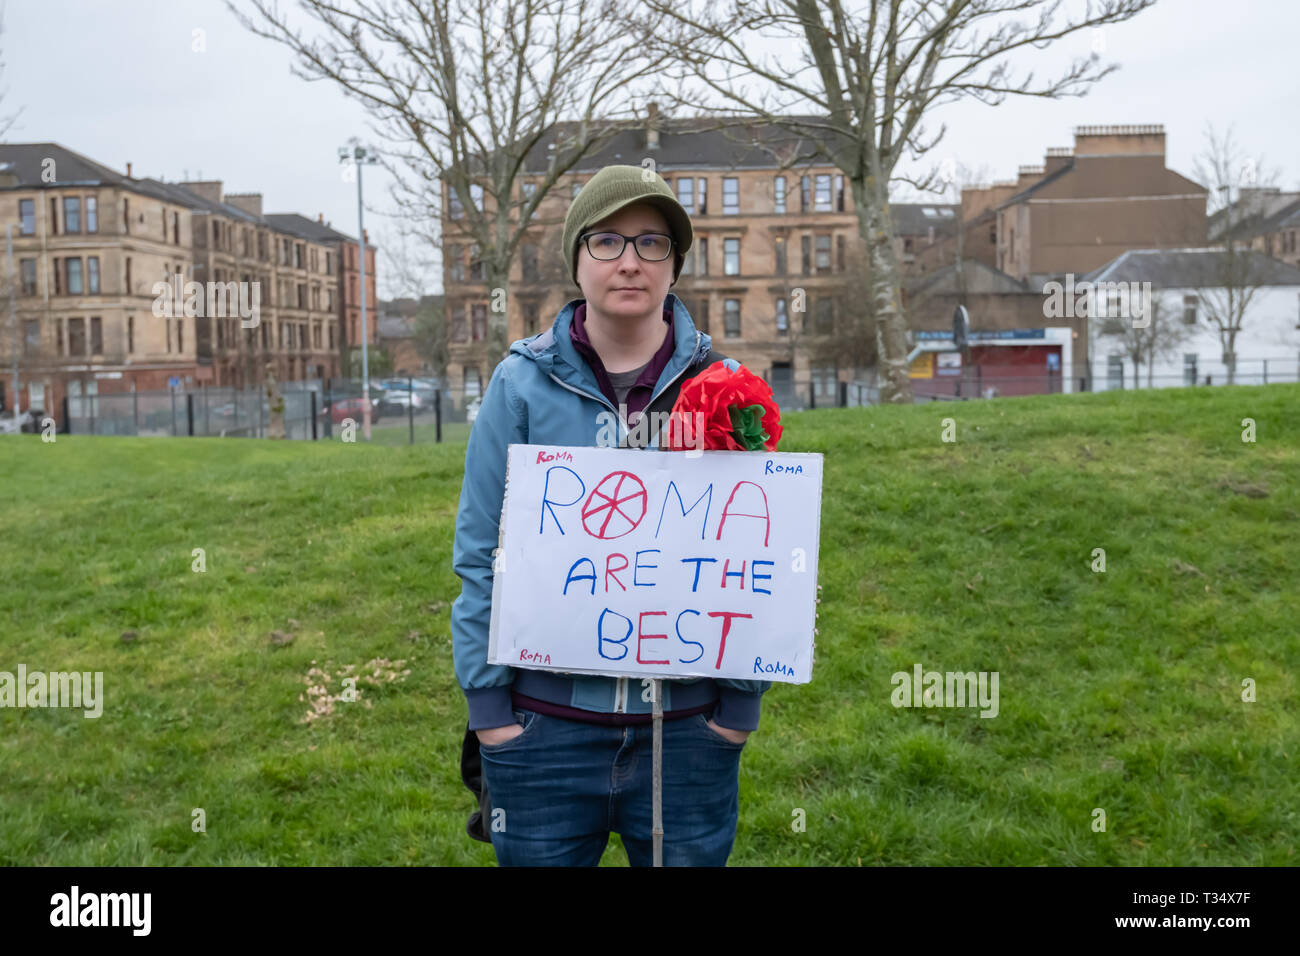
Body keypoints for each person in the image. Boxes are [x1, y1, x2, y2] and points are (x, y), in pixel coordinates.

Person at [451, 164, 771, 866]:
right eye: (606, 241)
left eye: (652, 242)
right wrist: (491, 717)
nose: (629, 261)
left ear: (675, 265)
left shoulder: (727, 388)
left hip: (687, 736)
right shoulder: (520, 382)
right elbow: (480, 550)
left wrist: (737, 714)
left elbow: (754, 558)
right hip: (542, 734)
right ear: (576, 260)